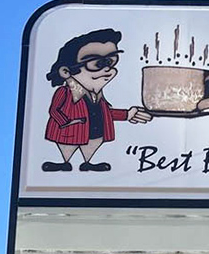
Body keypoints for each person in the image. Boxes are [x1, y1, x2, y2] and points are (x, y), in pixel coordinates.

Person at [43, 28, 151, 172]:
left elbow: (107, 113)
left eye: (110, 61)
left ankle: (87, 163)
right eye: (97, 64)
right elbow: (54, 110)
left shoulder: (98, 96)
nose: (107, 69)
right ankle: (64, 162)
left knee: (91, 143)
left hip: (94, 131)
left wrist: (127, 114)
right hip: (70, 130)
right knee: (69, 144)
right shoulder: (65, 92)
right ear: (66, 71)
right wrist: (65, 122)